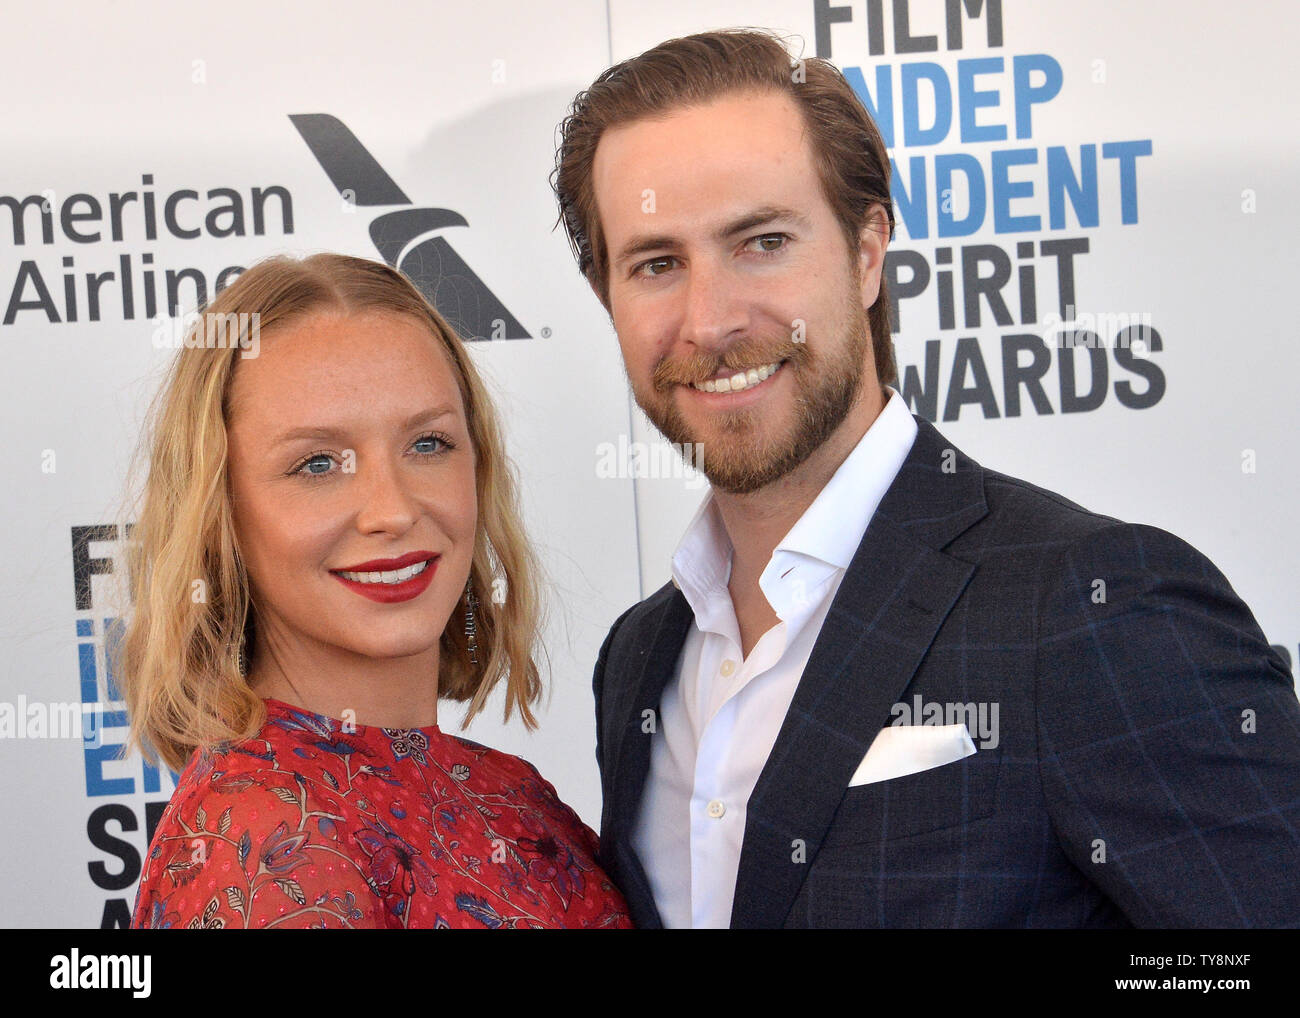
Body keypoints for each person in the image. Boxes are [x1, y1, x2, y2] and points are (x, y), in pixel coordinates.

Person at [552, 28, 1300, 928]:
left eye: (762, 242)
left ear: (869, 250)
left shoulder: (1093, 606)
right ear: (608, 298)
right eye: (657, 264)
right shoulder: (635, 662)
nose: (709, 321)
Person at [120, 253, 633, 929]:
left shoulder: (508, 791)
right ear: (220, 514)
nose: (391, 509)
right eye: (317, 463)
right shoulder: (266, 843)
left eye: (427, 443)